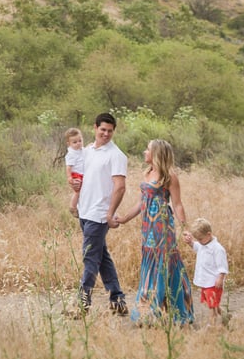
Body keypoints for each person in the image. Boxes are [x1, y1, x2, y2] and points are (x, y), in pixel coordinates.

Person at [117, 139, 194, 325]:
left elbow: (177, 204)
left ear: (157, 154)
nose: (144, 152)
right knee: (150, 264)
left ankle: (168, 310)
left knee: (164, 264)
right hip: (147, 227)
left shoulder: (169, 176)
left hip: (162, 226)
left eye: (148, 149)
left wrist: (184, 228)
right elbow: (140, 203)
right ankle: (150, 311)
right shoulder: (147, 173)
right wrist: (125, 218)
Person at [72, 113, 128, 316]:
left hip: (99, 214)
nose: (105, 134)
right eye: (102, 129)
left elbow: (120, 187)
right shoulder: (87, 151)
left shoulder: (116, 155)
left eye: (110, 131)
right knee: (101, 258)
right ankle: (118, 301)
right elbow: (79, 178)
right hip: (84, 211)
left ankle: (82, 305)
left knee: (90, 259)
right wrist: (75, 185)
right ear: (94, 128)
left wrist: (110, 213)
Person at [185, 217, 229, 327]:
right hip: (205, 281)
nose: (199, 241)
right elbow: (196, 246)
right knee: (213, 304)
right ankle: (225, 317)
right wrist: (191, 242)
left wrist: (220, 278)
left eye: (200, 239)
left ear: (209, 234)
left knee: (212, 307)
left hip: (213, 283)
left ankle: (211, 325)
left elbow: (222, 266)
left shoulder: (217, 249)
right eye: (197, 239)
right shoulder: (203, 244)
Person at [64, 127, 85, 216]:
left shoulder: (81, 150)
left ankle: (82, 206)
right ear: (69, 143)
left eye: (80, 140)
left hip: (83, 174)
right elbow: (68, 167)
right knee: (78, 191)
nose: (78, 143)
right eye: (75, 142)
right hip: (76, 175)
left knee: (84, 191)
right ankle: (73, 207)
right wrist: (70, 178)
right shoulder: (71, 154)